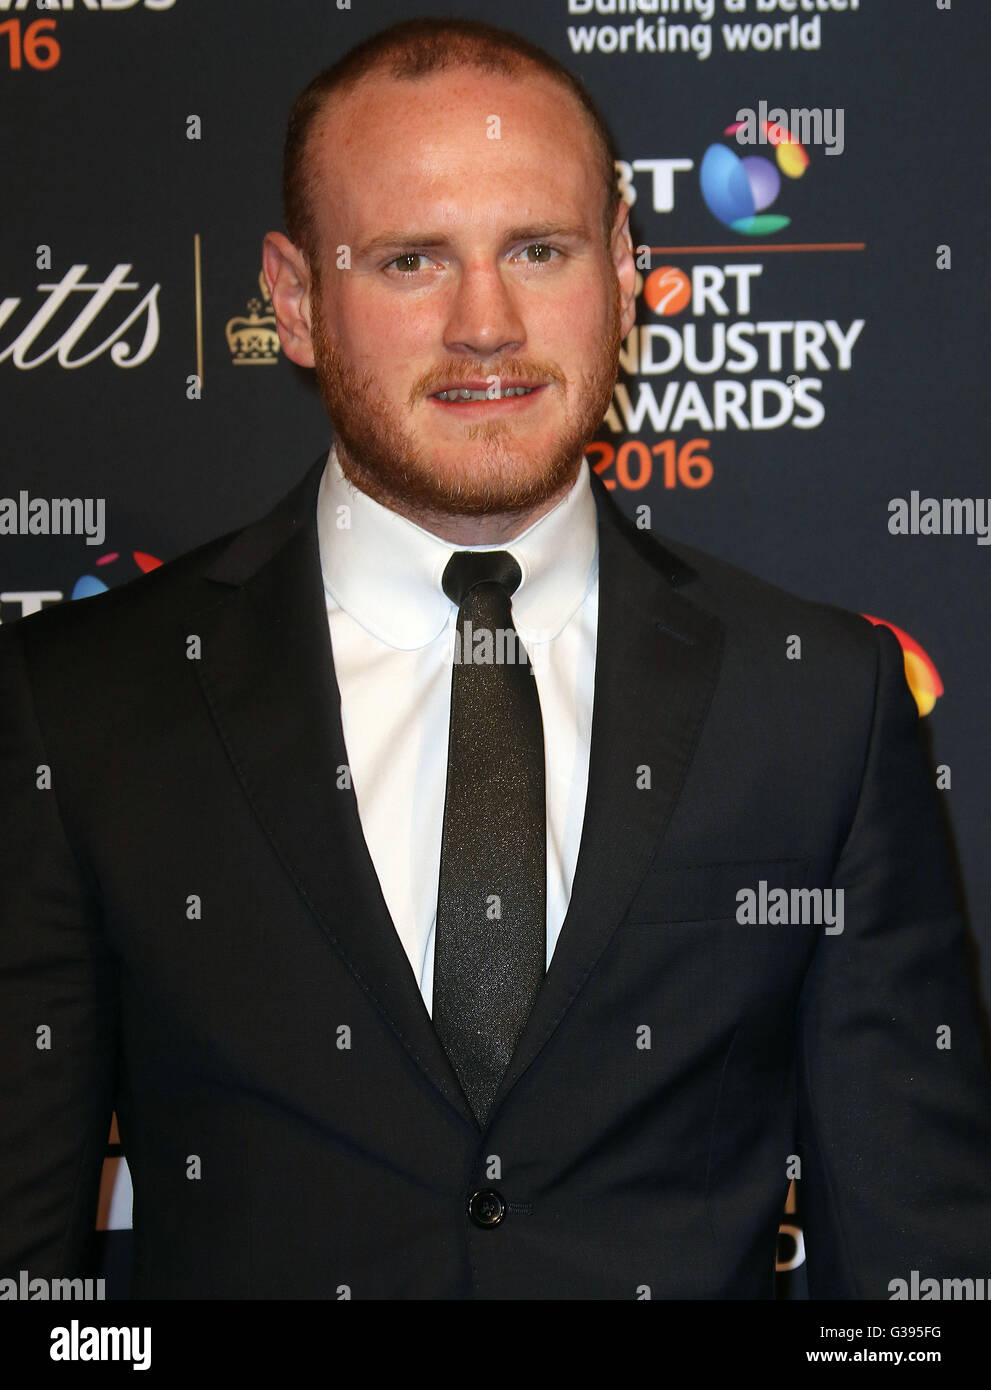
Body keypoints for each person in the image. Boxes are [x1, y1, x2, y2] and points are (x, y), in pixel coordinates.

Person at [2, 16, 990, 1301]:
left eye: (538, 248)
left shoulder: (818, 697)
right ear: (295, 300)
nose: (487, 323)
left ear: (627, 269)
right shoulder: (82, 702)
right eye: (412, 260)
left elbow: (915, 1277)